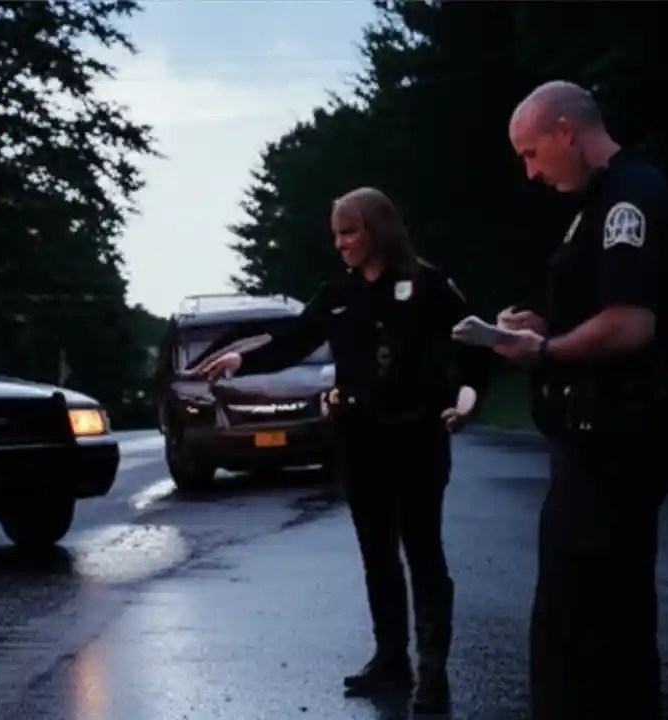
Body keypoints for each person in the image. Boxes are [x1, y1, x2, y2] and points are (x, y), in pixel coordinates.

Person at [191, 186, 491, 713]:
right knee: (376, 551)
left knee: (422, 549)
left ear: (378, 229)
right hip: (359, 436)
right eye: (336, 234)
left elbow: (472, 348)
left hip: (416, 434)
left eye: (350, 232)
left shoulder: (428, 286)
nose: (342, 244)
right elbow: (293, 341)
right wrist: (240, 362)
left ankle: (433, 671)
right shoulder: (338, 293)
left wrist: (466, 399)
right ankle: (391, 660)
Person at [493, 80, 668, 719]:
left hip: (617, 438)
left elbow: (630, 324)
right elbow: (601, 314)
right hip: (600, 436)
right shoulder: (601, 201)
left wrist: (544, 353)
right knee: (606, 618)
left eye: (531, 152)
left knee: (581, 626)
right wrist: (544, 330)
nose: (530, 171)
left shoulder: (627, 202)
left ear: (565, 131)